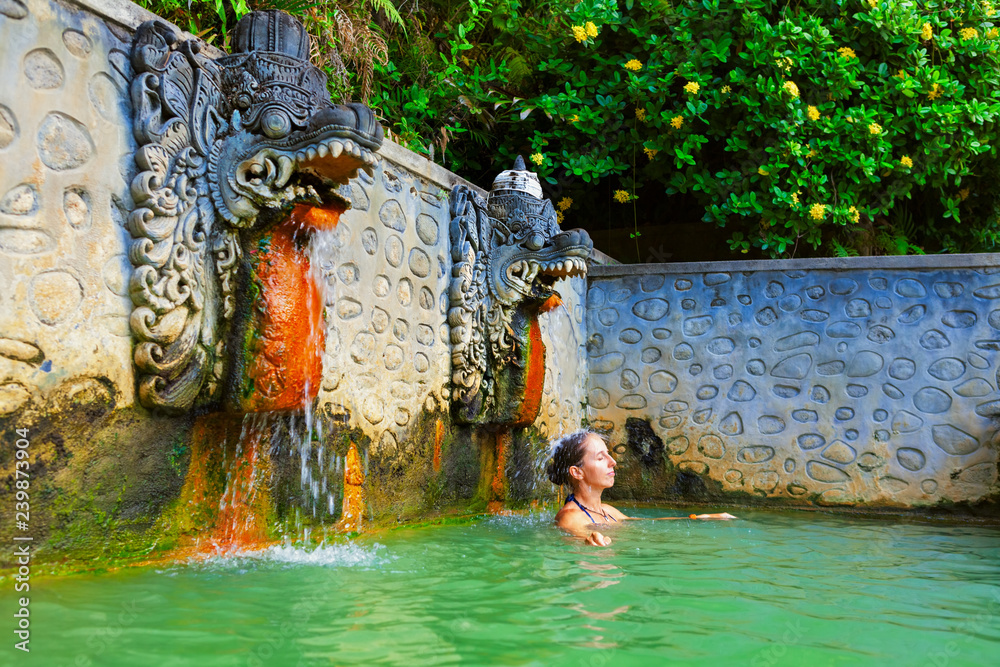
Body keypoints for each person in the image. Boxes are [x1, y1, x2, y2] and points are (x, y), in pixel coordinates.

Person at [547, 430, 736, 546]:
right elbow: (580, 539)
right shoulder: (570, 517)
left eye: (609, 455)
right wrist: (590, 542)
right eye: (600, 458)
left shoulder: (607, 511)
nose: (612, 462)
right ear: (577, 472)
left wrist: (699, 518)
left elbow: (645, 523)